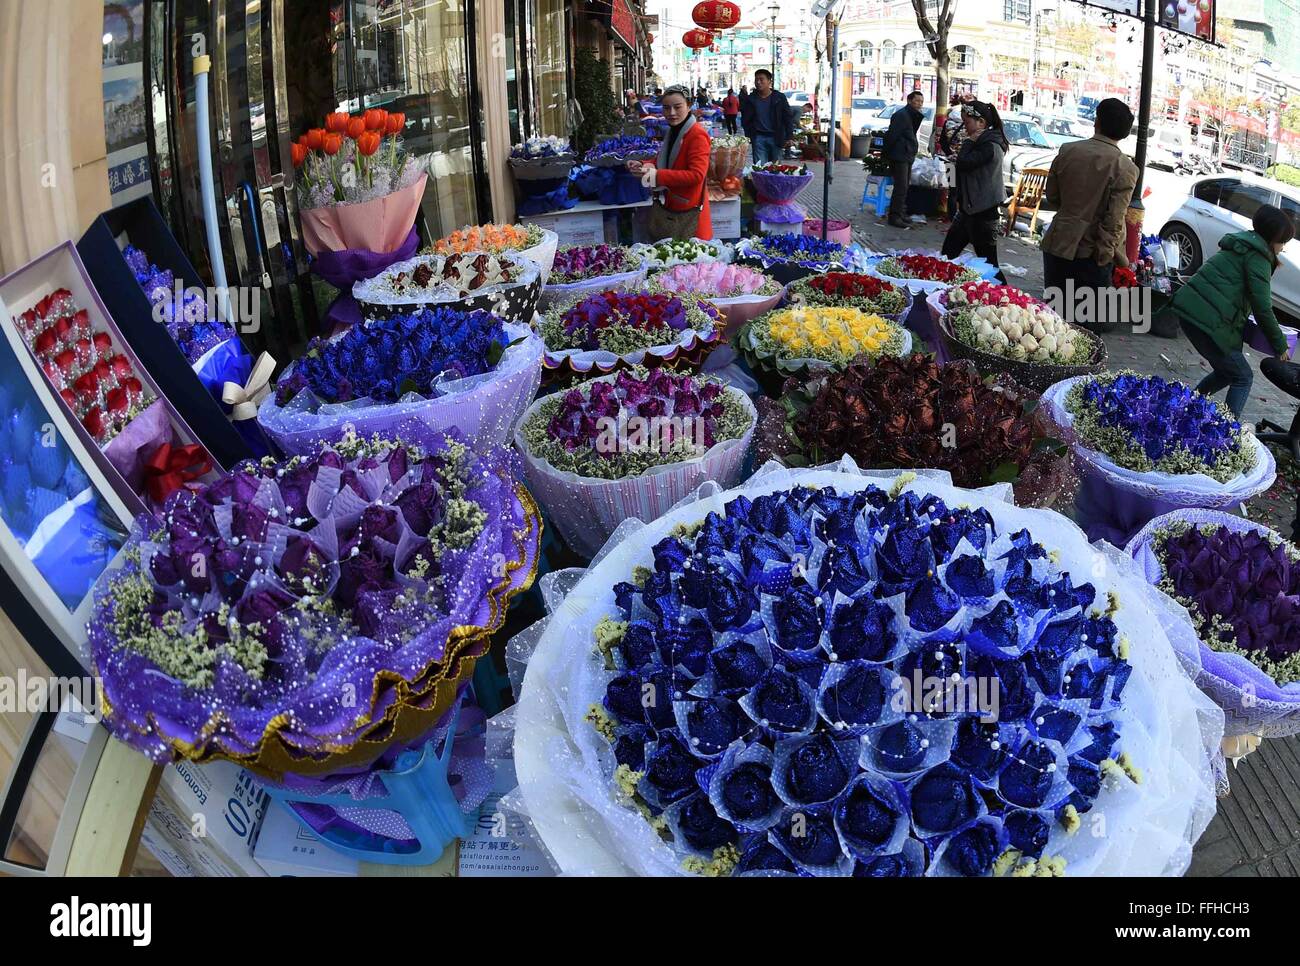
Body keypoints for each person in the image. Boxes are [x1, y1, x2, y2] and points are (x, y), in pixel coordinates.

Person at [1162, 204, 1294, 419]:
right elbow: (1262, 308)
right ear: (1273, 238)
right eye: (1283, 243)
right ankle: (1226, 434)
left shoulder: (1242, 244)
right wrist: (1280, 345)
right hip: (1206, 319)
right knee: (1243, 377)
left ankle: (1186, 408)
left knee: (1227, 372)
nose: (1282, 248)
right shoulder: (1258, 258)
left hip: (1194, 311)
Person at [1040, 98, 1139, 331]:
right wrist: (1106, 257)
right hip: (1092, 252)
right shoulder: (1125, 168)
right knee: (1085, 328)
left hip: (1058, 243)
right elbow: (1114, 220)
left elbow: (1053, 197)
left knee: (1053, 321)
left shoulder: (1068, 150)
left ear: (1097, 122)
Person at [628, 85, 713, 241]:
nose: (671, 113)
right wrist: (643, 163)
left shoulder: (697, 135)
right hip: (675, 208)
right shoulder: (675, 129)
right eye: (666, 108)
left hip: (690, 214)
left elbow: (697, 175)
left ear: (689, 105)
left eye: (677, 107)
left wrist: (657, 175)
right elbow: (666, 160)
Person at [941, 101, 1009, 281]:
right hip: (968, 210)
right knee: (947, 255)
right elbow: (965, 165)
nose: (965, 127)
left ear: (981, 122)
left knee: (989, 266)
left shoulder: (990, 144)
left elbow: (966, 162)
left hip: (982, 213)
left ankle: (1007, 298)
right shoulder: (984, 141)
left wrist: (968, 144)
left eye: (968, 122)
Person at [883, 91, 924, 229]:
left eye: (921, 102)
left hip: (907, 155)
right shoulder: (901, 115)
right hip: (899, 155)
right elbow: (892, 136)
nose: (919, 104)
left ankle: (900, 213)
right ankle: (894, 216)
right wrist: (887, 154)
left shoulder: (911, 115)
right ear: (909, 100)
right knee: (900, 187)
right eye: (917, 100)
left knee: (905, 186)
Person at [740, 69, 793, 164]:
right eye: (756, 80)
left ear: (769, 81)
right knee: (760, 168)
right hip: (758, 138)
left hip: (776, 137)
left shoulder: (779, 98)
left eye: (761, 79)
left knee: (775, 168)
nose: (758, 82)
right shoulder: (750, 99)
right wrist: (748, 135)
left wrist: (789, 136)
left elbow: (787, 117)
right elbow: (745, 119)